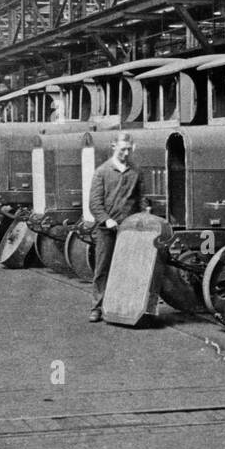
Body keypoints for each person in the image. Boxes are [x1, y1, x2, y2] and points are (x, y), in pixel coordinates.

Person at [86, 132, 144, 323]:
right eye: (122, 149)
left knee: (129, 270)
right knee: (102, 268)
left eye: (129, 149)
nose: (126, 153)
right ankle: (96, 308)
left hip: (130, 230)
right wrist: (106, 220)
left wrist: (143, 218)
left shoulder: (136, 172)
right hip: (106, 231)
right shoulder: (102, 172)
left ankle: (125, 308)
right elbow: (94, 204)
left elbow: (141, 200)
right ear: (113, 146)